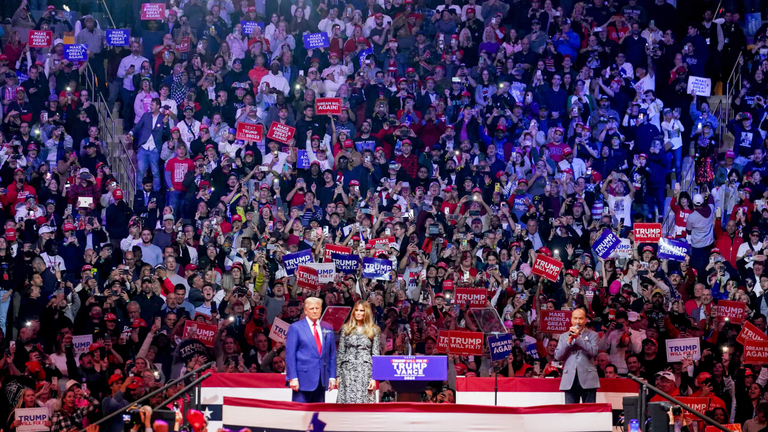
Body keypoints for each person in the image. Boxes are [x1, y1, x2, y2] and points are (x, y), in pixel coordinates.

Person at [285, 297, 337, 402]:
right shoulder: (296, 328)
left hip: (321, 379)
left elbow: (332, 355)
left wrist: (332, 377)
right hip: (301, 379)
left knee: (317, 415)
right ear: (305, 311)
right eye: (312, 308)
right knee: (300, 414)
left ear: (321, 310)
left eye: (317, 308)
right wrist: (292, 377)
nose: (314, 311)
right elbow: (290, 355)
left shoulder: (327, 327)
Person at [337, 300, 380, 404]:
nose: (358, 313)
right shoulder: (346, 328)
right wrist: (338, 375)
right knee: (346, 402)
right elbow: (341, 352)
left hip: (365, 371)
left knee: (364, 402)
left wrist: (374, 378)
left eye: (362, 310)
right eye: (356, 310)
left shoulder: (374, 330)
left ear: (367, 313)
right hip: (347, 371)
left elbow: (375, 354)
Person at [555, 306, 600, 403]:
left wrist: (578, 338)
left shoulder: (593, 335)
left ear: (585, 320)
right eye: (575, 318)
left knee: (589, 412)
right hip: (569, 378)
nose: (578, 322)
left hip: (588, 378)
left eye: (580, 318)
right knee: (570, 413)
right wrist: (568, 342)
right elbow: (558, 356)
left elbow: (594, 352)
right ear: (571, 320)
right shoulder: (563, 336)